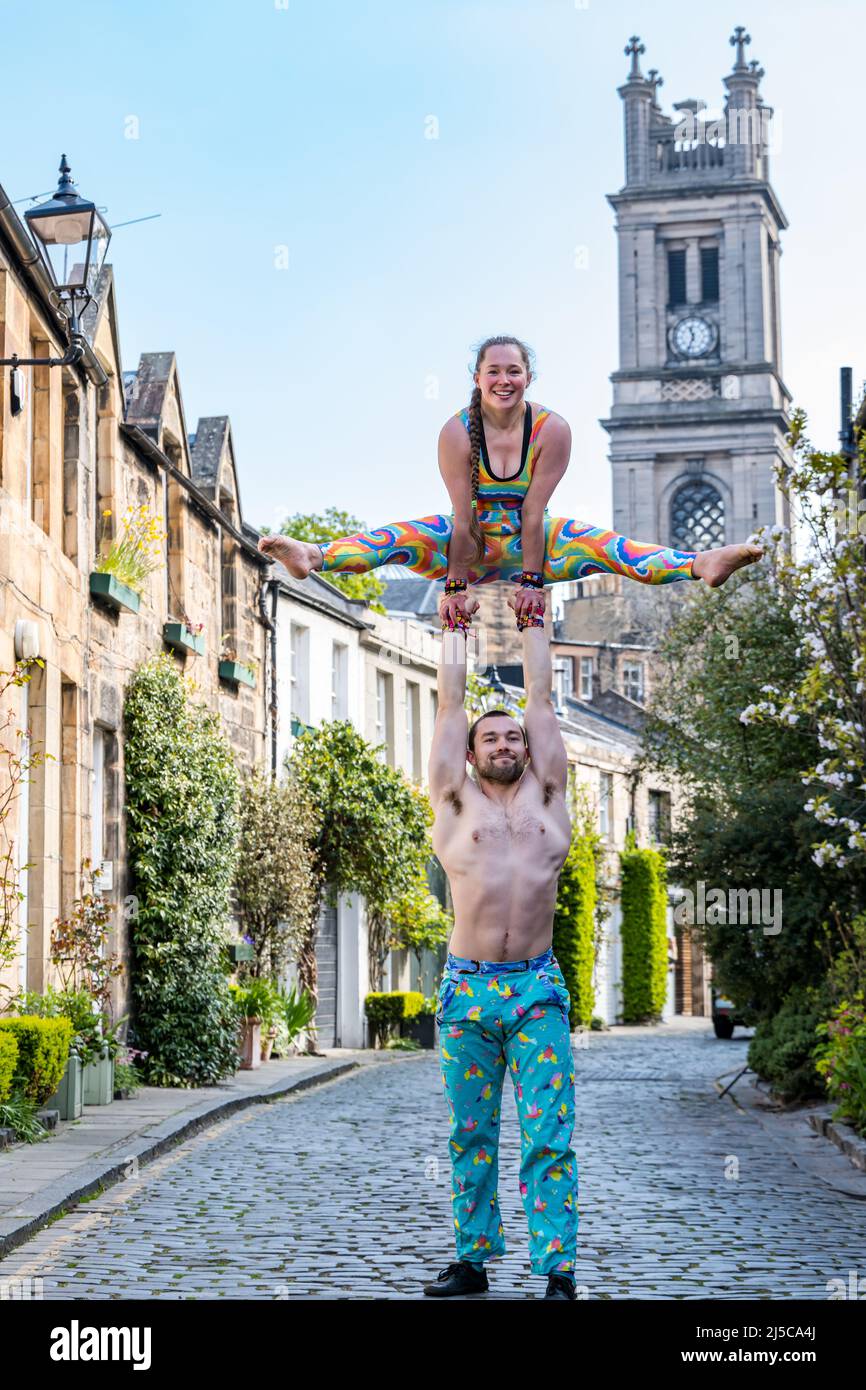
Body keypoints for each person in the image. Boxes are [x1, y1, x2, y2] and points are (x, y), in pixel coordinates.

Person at [256, 335, 763, 628]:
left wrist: (533, 582)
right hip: (469, 544)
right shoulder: (456, 432)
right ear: (477, 378)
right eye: (494, 371)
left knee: (614, 549)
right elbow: (460, 517)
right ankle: (314, 555)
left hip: (535, 544)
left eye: (514, 371)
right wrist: (454, 588)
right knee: (398, 538)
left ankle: (702, 563)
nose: (504, 380)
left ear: (528, 378)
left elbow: (534, 513)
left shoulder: (551, 430)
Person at [421, 584, 579, 1300]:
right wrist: (452, 627)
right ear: (473, 753)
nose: (506, 742)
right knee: (471, 1134)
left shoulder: (551, 801)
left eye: (513, 736)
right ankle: (471, 1262)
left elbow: (542, 701)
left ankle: (557, 1271)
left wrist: (535, 624)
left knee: (549, 1135)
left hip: (537, 988)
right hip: (469, 989)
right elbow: (450, 707)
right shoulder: (454, 804)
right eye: (493, 737)